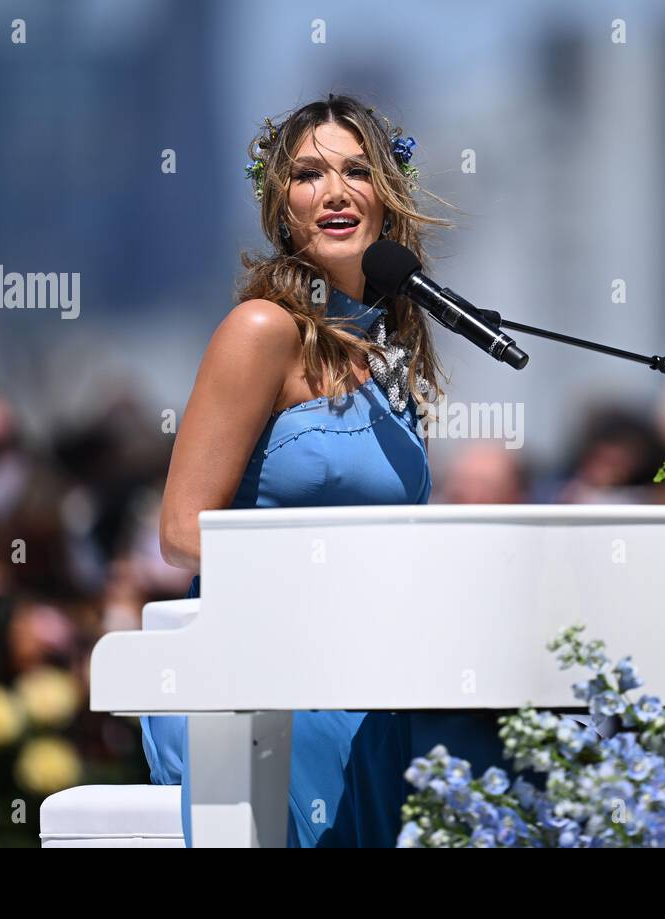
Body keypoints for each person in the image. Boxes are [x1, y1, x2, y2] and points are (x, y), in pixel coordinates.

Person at [141, 94, 508, 847]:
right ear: (283, 209)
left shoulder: (388, 357)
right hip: (259, 668)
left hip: (364, 656)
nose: (335, 192)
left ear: (387, 198)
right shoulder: (262, 332)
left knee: (492, 734)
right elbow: (180, 532)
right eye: (309, 175)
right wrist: (329, 579)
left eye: (356, 171)